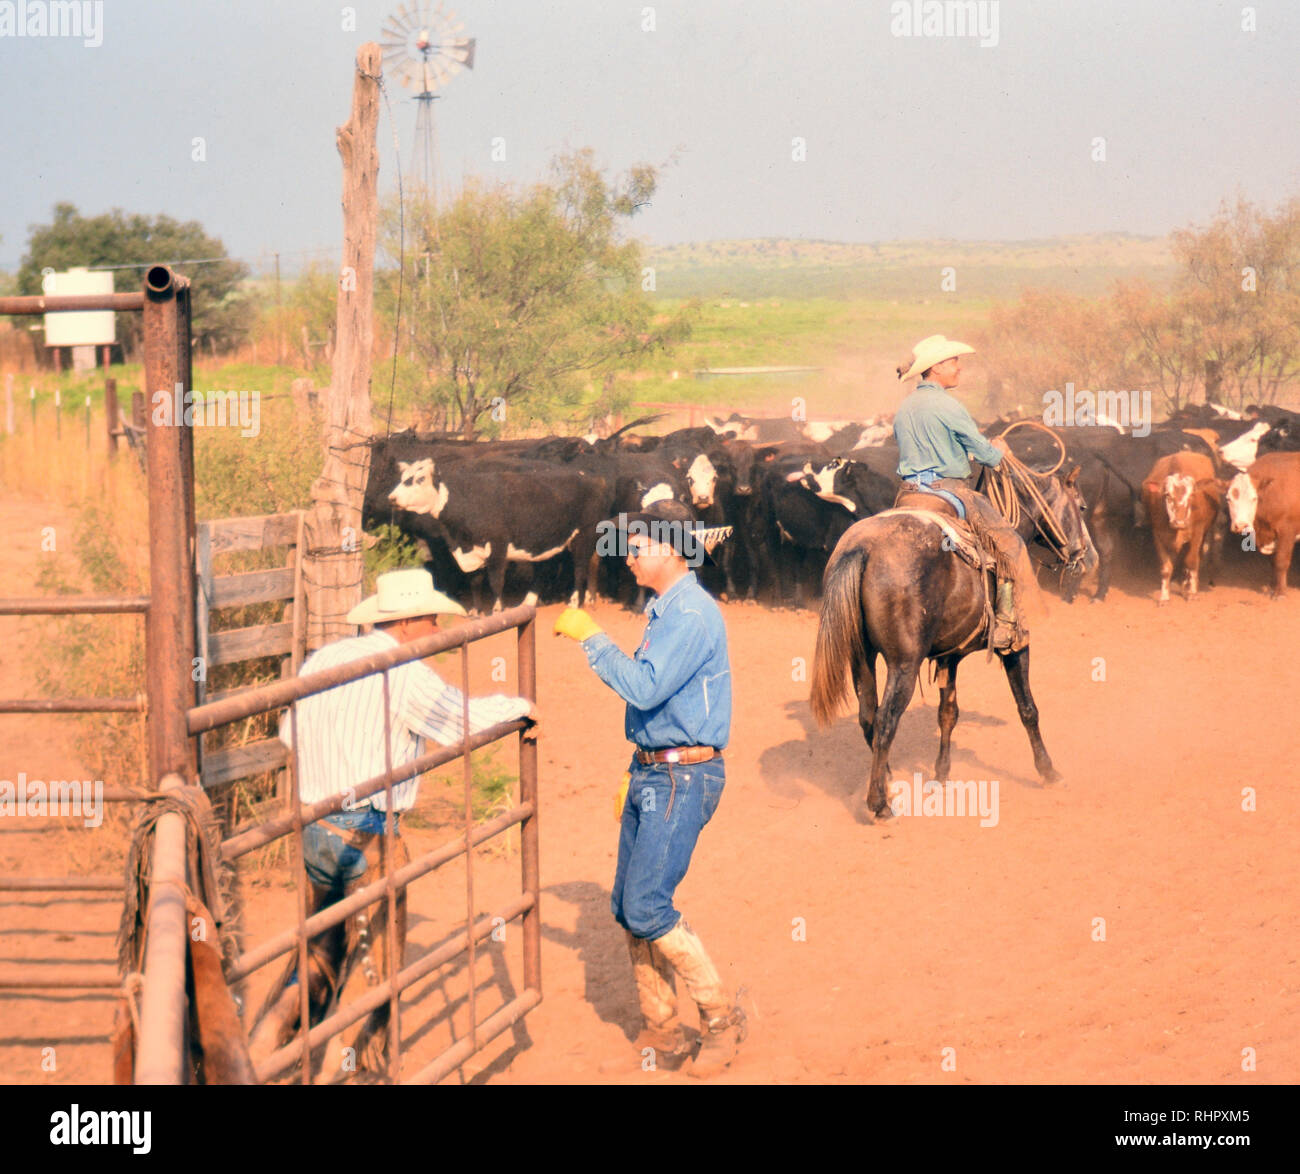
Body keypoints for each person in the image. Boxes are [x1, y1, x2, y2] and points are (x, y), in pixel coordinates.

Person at [248, 568, 537, 1082]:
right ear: (406, 623)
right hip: (369, 832)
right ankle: (351, 1070)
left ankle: (258, 1048)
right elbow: (462, 720)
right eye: (431, 621)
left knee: (318, 949)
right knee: (376, 969)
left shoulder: (327, 658)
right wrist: (521, 706)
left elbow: (290, 733)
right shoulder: (403, 673)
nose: (437, 633)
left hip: (314, 824)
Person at [553, 512, 746, 1078]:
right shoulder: (669, 610)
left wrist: (592, 638)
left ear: (673, 553)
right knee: (627, 906)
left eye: (637, 548)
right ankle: (661, 1028)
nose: (628, 557)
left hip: (680, 776)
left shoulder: (688, 613)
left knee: (644, 905)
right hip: (658, 771)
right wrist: (641, 761)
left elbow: (643, 685)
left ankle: (719, 1018)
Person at [893, 333, 1039, 652]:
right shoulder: (949, 406)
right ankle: (1005, 621)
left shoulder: (904, 408)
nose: (959, 368)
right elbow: (988, 456)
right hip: (949, 492)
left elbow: (927, 450)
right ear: (937, 368)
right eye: (954, 362)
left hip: (908, 493)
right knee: (1010, 544)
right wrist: (998, 451)